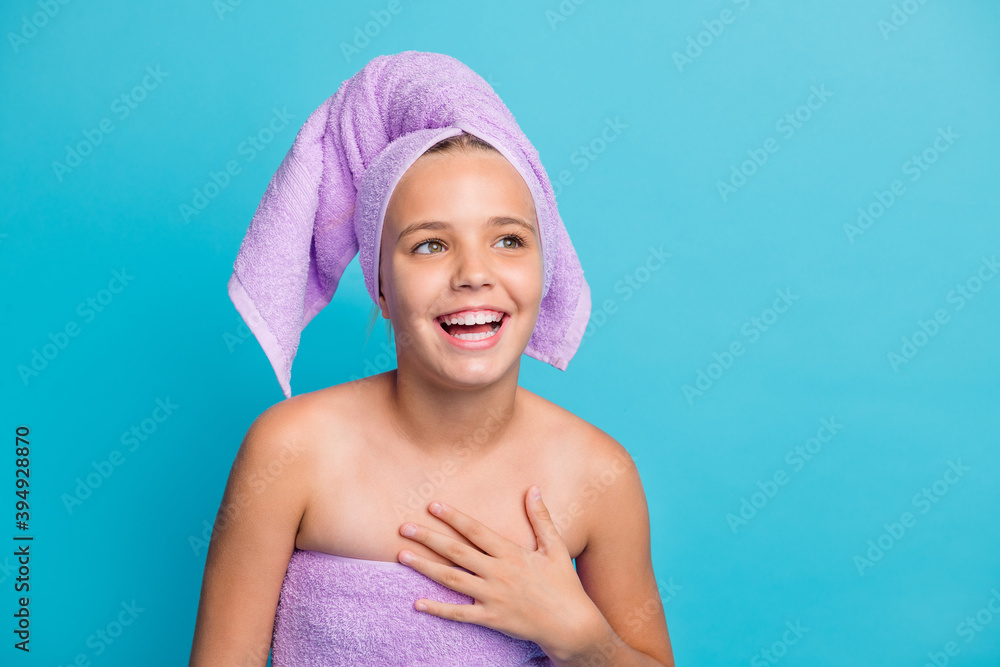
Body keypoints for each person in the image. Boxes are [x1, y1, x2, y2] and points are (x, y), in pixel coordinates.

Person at [189, 52, 673, 667]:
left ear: (544, 268)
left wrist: (584, 639)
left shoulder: (600, 476)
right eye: (431, 245)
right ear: (382, 287)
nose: (474, 274)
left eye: (508, 240)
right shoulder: (291, 451)